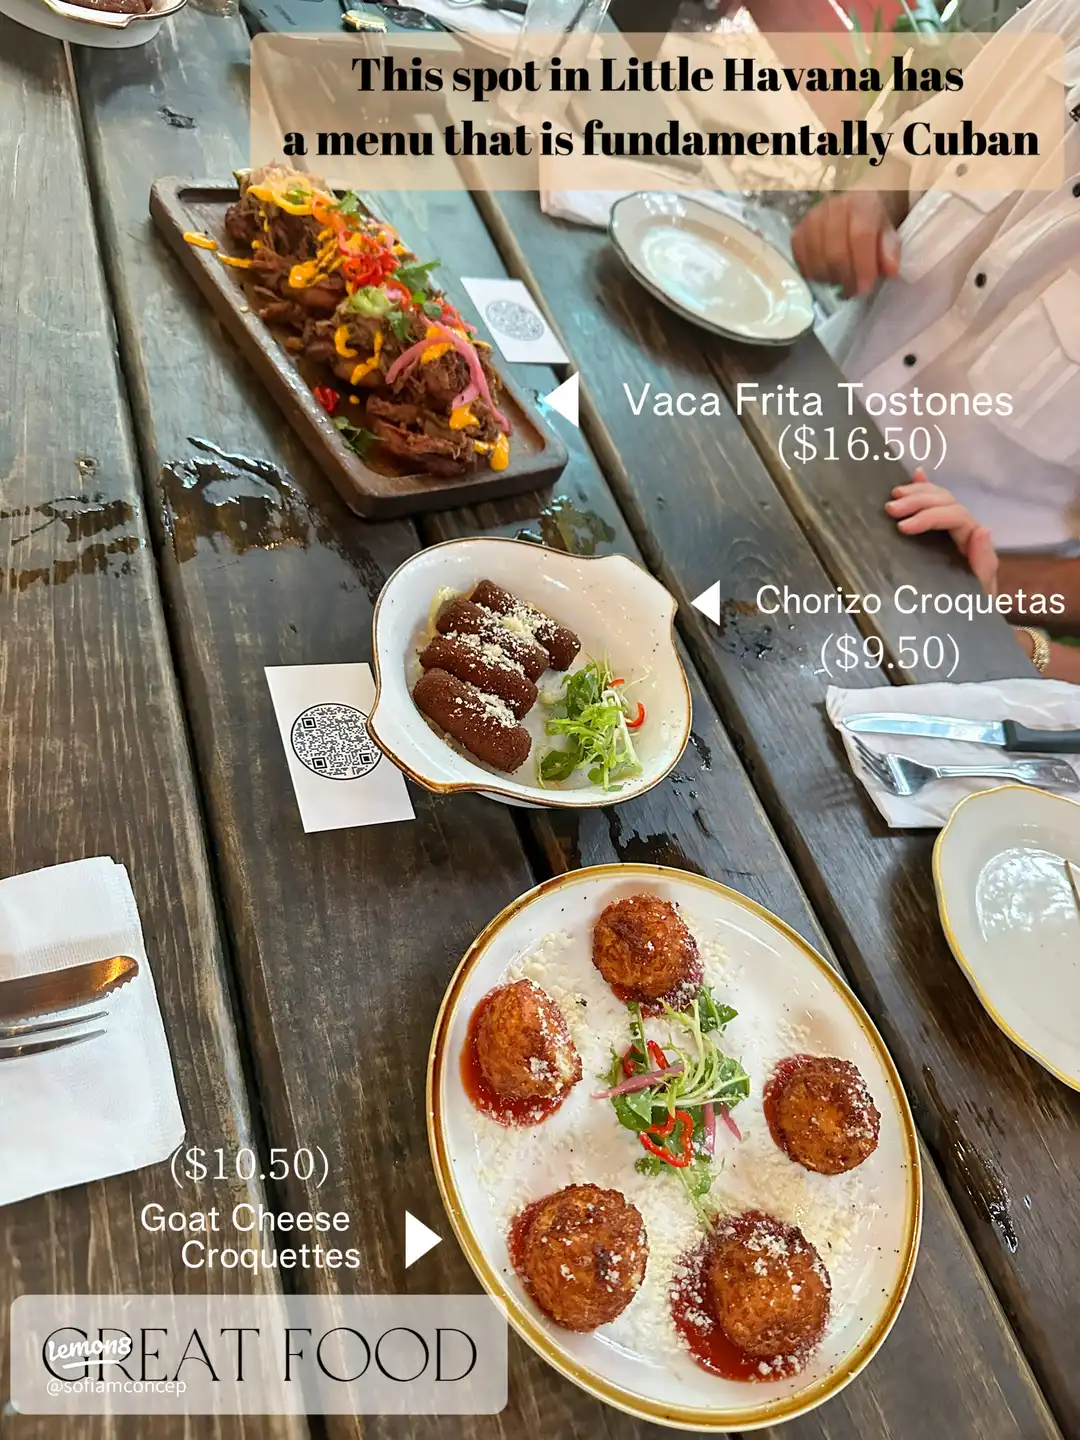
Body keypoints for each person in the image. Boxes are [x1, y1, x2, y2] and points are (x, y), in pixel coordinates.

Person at [790, 0, 1080, 680]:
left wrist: (983, 602)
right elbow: (916, 154)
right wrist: (867, 203)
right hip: (797, 406)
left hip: (940, 595)